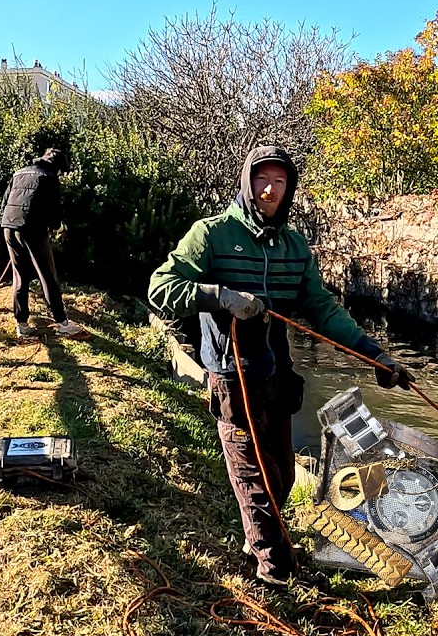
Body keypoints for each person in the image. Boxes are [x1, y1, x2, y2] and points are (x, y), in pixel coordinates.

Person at [148, 145, 415, 587]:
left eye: (279, 182)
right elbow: (161, 286)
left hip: (278, 374)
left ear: (289, 189)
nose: (269, 190)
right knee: (255, 478)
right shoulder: (210, 234)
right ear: (246, 182)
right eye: (261, 180)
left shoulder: (294, 246)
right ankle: (276, 572)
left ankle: (258, 539)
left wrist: (375, 354)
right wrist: (220, 297)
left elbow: (323, 309)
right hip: (233, 377)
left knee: (284, 475)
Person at [0, 147, 86, 339]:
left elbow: (4, 203)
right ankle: (62, 323)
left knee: (20, 275)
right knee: (47, 275)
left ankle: (22, 326)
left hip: (9, 226)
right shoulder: (49, 177)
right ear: (58, 166)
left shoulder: (19, 173)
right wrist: (59, 228)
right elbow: (53, 212)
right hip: (32, 229)